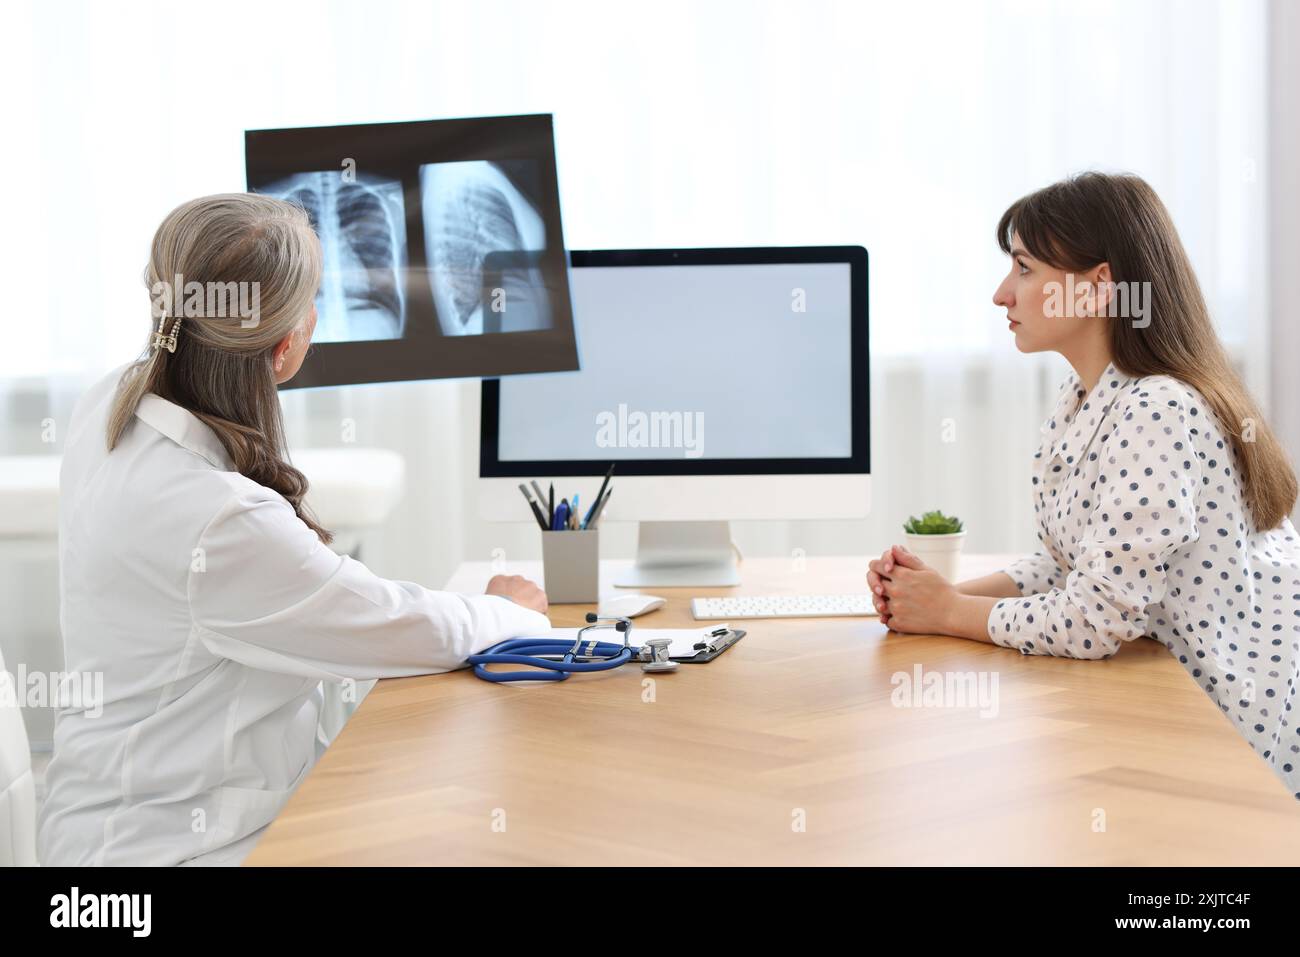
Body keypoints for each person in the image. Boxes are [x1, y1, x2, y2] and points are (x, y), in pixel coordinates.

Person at [38, 194, 551, 865]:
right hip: (165, 850)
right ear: (285, 348)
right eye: (311, 303)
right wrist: (505, 613)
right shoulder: (217, 520)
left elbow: (339, 604)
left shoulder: (113, 400)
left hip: (115, 814)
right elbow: (399, 627)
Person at [868, 172, 1300, 799]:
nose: (1000, 295)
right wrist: (935, 596)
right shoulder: (1086, 398)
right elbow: (1068, 565)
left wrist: (949, 613)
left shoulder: (1158, 410)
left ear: (1098, 288)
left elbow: (1094, 619)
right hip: (1157, 690)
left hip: (1220, 723)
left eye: (1022, 268)